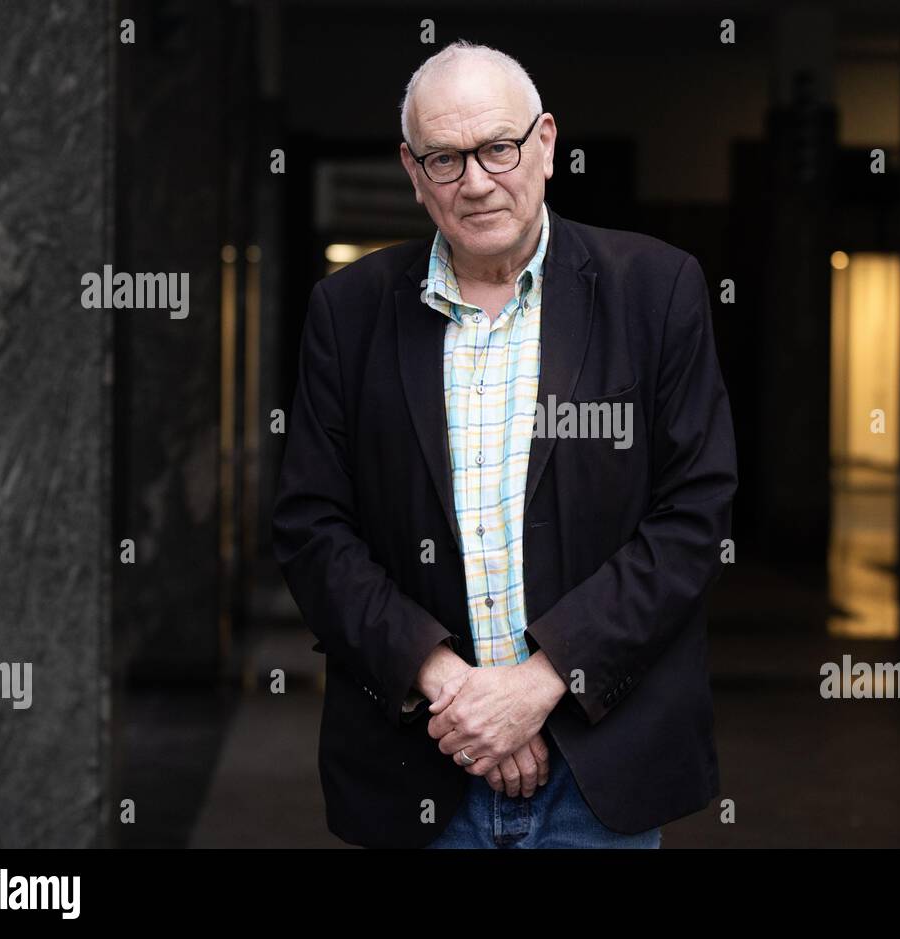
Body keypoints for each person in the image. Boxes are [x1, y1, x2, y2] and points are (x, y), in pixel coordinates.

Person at [272, 39, 737, 848]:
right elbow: (312, 529)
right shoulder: (346, 315)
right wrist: (448, 685)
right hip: (414, 770)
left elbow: (694, 516)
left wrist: (540, 682)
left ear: (547, 143)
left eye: (498, 147)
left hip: (601, 777)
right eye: (445, 159)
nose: (477, 181)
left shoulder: (655, 292)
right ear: (413, 173)